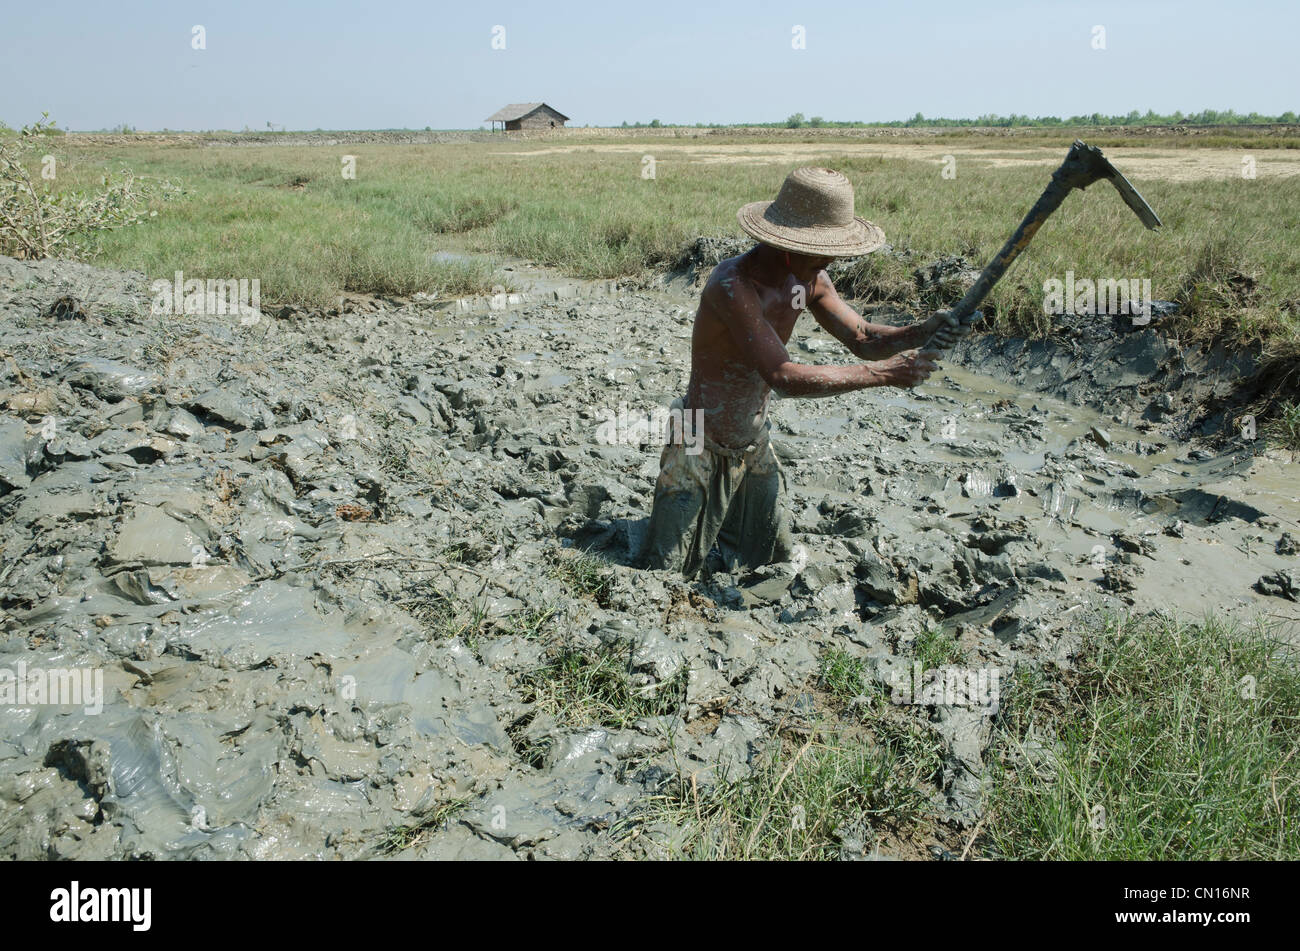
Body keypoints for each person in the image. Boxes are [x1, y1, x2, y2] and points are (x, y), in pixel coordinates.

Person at [638, 166, 974, 578]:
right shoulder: (734, 285)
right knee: (662, 572)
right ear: (786, 245)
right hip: (697, 434)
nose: (831, 259)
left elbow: (863, 337)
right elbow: (783, 376)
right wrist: (884, 375)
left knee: (768, 558)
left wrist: (920, 331)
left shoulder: (810, 279)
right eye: (821, 249)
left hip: (751, 437)